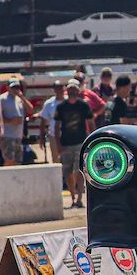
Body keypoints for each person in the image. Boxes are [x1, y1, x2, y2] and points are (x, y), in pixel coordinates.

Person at [54, 80, 95, 208]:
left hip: (80, 143)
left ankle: (80, 198)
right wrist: (58, 144)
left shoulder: (83, 105)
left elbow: (91, 122)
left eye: (74, 89)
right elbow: (56, 126)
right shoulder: (61, 107)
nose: (72, 91)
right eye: (70, 89)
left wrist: (92, 139)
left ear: (78, 91)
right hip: (66, 143)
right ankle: (72, 197)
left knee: (80, 171)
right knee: (68, 172)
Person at [0, 78, 35, 166]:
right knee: (9, 159)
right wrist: (10, 121)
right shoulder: (2, 99)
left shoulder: (19, 99)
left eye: (17, 87)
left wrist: (22, 97)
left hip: (18, 135)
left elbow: (30, 110)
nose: (15, 89)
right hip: (7, 135)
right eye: (13, 87)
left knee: (18, 160)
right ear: (7, 87)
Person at [38, 80, 65, 163]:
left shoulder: (68, 101)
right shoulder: (49, 104)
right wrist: (41, 137)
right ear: (54, 90)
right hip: (53, 135)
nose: (59, 90)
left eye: (61, 88)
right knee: (56, 158)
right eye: (57, 88)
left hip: (67, 135)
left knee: (67, 159)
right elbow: (43, 121)